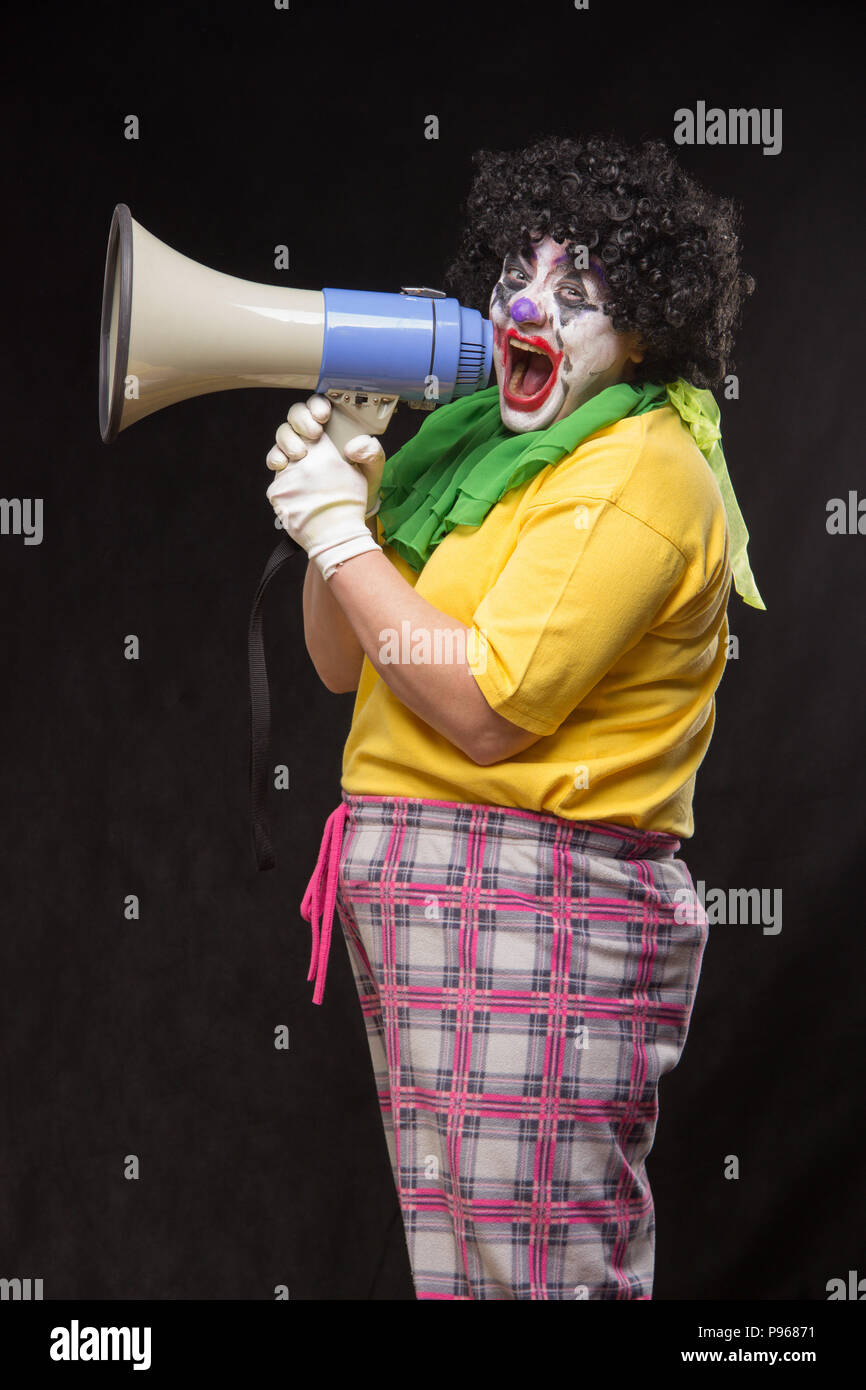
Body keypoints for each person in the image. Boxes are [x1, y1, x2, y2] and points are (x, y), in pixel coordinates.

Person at [264, 131, 765, 1300]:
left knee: (536, 1276)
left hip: (534, 907)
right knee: (470, 1277)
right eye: (513, 279)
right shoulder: (470, 444)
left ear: (644, 326)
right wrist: (345, 493)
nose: (526, 309)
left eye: (577, 293)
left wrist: (340, 533)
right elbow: (343, 663)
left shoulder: (642, 467)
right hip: (439, 905)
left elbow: (489, 705)